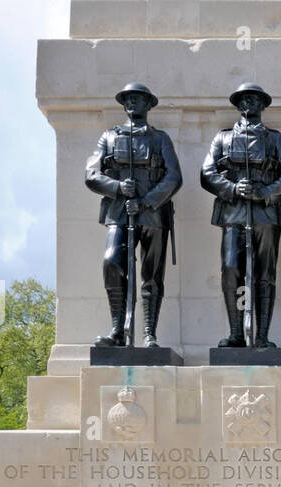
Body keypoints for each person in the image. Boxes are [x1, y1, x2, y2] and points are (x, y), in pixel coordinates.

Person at [200, 83, 281, 348]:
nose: (250, 103)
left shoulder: (274, 139)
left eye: (255, 99)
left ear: (263, 105)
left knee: (264, 274)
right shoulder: (222, 138)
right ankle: (236, 333)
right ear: (238, 104)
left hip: (266, 214)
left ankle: (262, 336)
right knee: (232, 269)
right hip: (233, 213)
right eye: (245, 99)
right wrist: (233, 188)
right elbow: (207, 174)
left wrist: (265, 192)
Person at [85, 82, 182, 348]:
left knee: (152, 274)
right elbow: (91, 175)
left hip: (153, 214)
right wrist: (117, 187)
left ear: (149, 104)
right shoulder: (109, 137)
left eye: (138, 99)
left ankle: (149, 333)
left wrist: (147, 201)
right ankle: (118, 329)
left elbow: (174, 177)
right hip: (119, 212)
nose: (132, 103)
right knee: (112, 262)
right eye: (128, 99)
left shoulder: (160, 139)